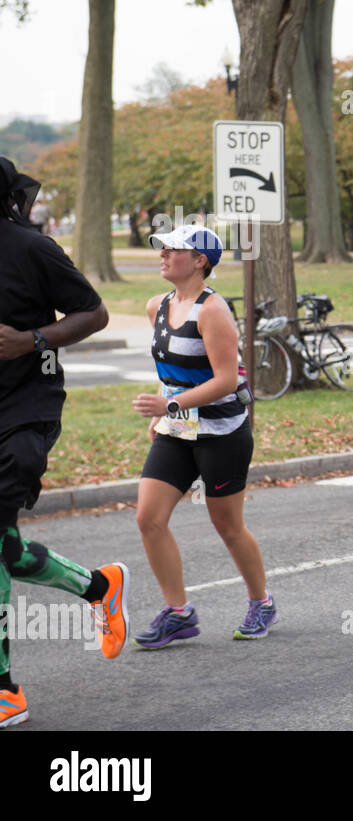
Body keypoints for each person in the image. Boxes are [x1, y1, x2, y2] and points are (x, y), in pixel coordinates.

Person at [0, 157, 128, 727]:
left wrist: (32, 339)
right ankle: (99, 587)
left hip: (25, 410)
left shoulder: (31, 249)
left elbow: (93, 312)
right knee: (5, 550)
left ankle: (4, 691)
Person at [131, 224, 277, 648]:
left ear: (199, 261)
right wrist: (163, 407)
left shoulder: (212, 311)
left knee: (227, 526)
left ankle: (261, 602)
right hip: (176, 430)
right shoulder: (156, 305)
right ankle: (178, 613)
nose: (163, 256)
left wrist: (169, 406)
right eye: (162, 249)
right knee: (148, 518)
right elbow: (168, 369)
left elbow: (228, 380)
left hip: (222, 432)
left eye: (172, 250)